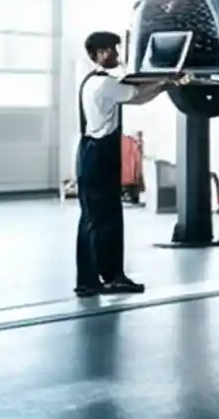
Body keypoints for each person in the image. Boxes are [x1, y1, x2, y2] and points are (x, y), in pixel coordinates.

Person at [75, 31, 176, 297]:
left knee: (92, 219)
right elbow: (138, 96)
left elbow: (132, 90)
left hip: (89, 152)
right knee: (106, 219)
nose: (117, 56)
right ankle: (111, 278)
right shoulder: (104, 84)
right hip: (100, 155)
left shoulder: (90, 81)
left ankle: (90, 280)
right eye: (112, 50)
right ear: (98, 54)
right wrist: (166, 82)